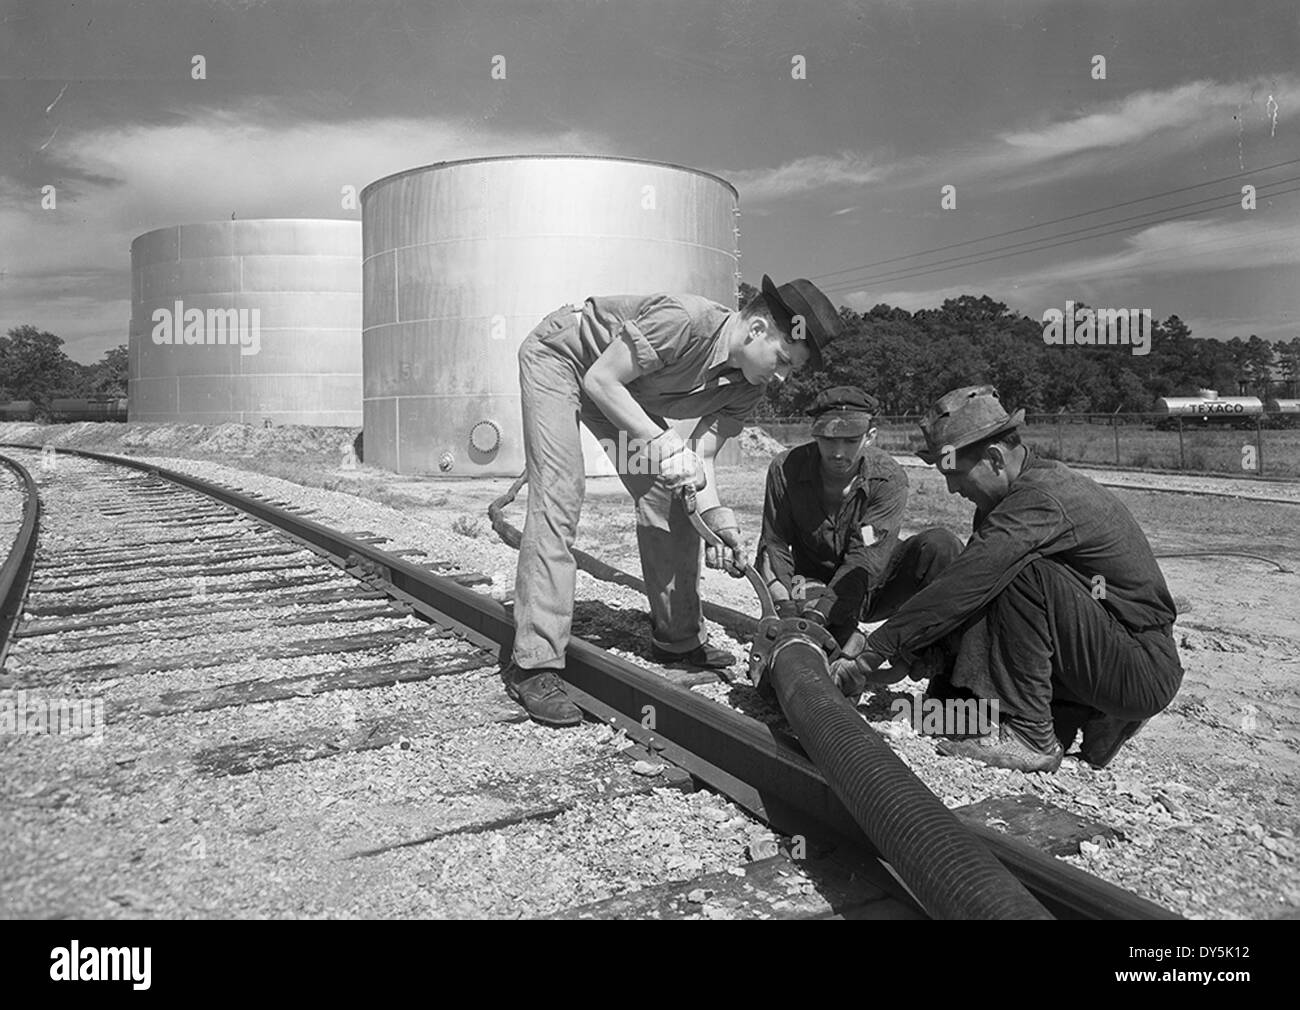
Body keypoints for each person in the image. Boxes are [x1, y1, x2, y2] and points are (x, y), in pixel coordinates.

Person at [506, 276, 845, 727]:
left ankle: (678, 641)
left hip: (613, 391)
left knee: (672, 493)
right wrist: (665, 445)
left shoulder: (748, 385)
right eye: (783, 360)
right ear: (758, 329)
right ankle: (534, 663)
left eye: (792, 370)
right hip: (565, 361)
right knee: (559, 495)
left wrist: (720, 522)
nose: (782, 377)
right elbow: (603, 379)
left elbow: (700, 460)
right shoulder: (686, 322)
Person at [839, 385, 1183, 772]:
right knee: (947, 710)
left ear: (994, 458)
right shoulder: (1002, 502)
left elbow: (969, 583)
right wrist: (911, 656)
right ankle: (1092, 714)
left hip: (1140, 667)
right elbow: (966, 602)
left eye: (955, 474)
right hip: (1101, 654)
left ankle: (1034, 738)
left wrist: (874, 651)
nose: (953, 488)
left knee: (1017, 572)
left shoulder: (1041, 497)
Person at [756, 386, 961, 696]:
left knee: (941, 546)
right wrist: (788, 609)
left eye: (850, 441)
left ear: (871, 436)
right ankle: (837, 638)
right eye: (828, 440)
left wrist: (821, 614)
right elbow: (775, 542)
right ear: (815, 435)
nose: (838, 453)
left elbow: (865, 557)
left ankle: (945, 680)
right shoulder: (785, 469)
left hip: (871, 580)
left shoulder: (888, 477)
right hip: (808, 582)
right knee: (818, 659)